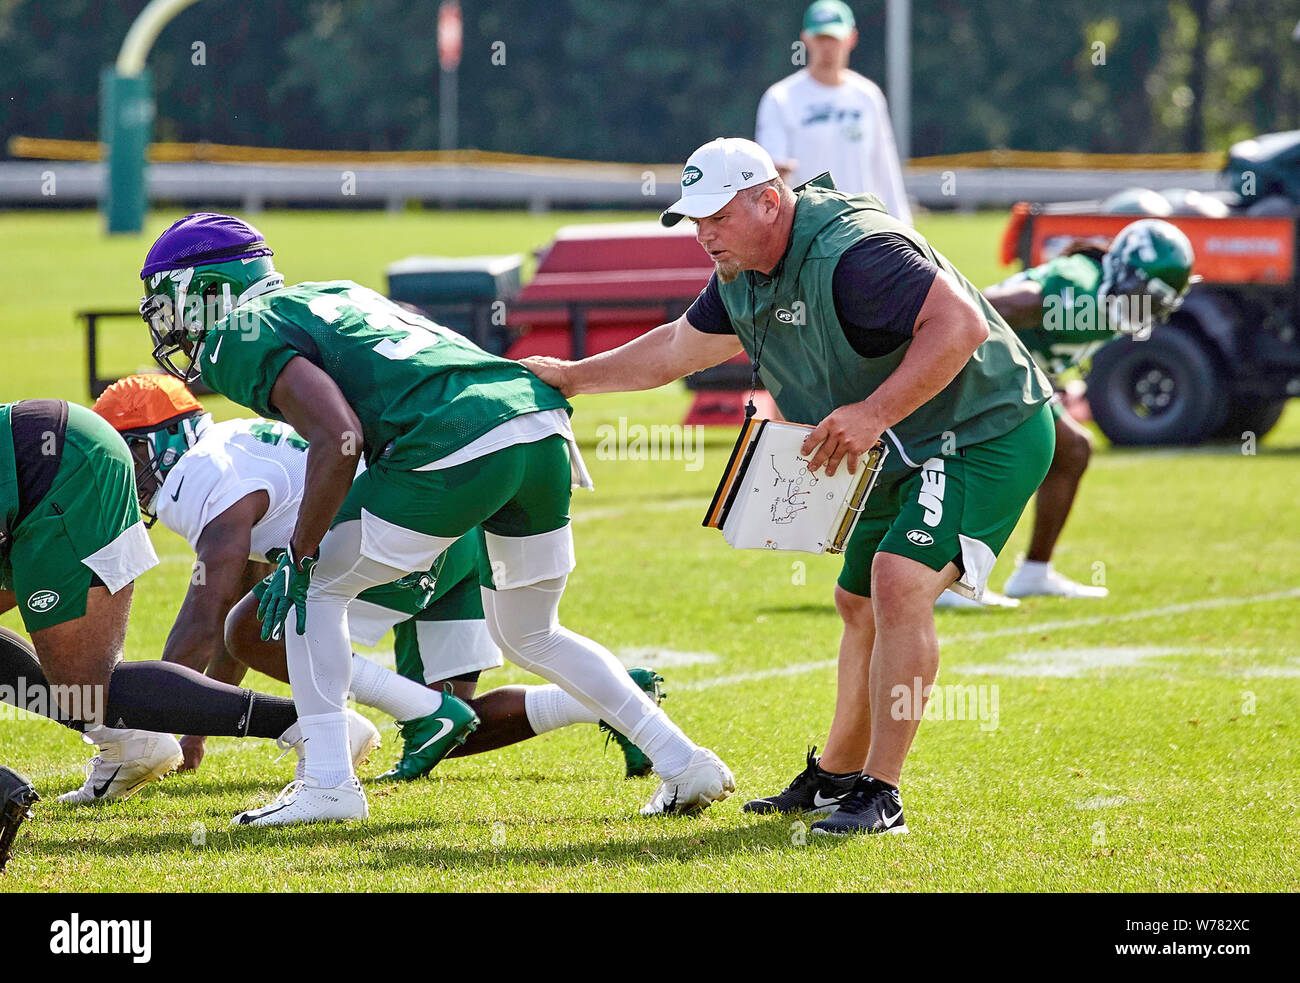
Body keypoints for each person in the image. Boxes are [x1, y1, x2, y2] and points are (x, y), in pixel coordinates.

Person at [524, 138, 1056, 835]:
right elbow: (678, 350)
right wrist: (573, 375)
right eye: (694, 218)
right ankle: (838, 775)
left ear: (767, 200)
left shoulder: (857, 253)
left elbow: (961, 325)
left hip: (987, 428)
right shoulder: (743, 269)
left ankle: (882, 795)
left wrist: (871, 413)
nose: (703, 232)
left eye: (716, 215)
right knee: (856, 597)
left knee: (899, 581)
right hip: (901, 437)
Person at [139, 212, 732, 826]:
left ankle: (327, 785)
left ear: (204, 290)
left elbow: (338, 435)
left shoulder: (240, 331)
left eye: (167, 304)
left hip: (454, 439)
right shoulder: (333, 293)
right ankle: (682, 759)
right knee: (532, 631)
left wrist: (303, 547)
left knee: (311, 592)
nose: (167, 323)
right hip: (533, 421)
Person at [90, 373, 666, 782]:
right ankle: (611, 701)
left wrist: (152, 716)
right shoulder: (234, 443)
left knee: (257, 629)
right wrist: (195, 731)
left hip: (404, 537)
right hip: (457, 535)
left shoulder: (197, 474)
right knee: (450, 729)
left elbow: (207, 617)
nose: (131, 475)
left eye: (131, 456)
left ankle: (423, 714)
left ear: (161, 440)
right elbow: (244, 591)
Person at [0, 398, 317, 803]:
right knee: (84, 687)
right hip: (56, 449)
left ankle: (309, 722)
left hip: (53, 465)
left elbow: (208, 617)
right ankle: (129, 741)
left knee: (86, 685)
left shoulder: (211, 469)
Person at [977, 220, 1193, 602]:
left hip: (1012, 377)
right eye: (1144, 295)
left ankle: (1034, 572)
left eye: (1156, 304)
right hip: (975, 369)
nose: (1145, 309)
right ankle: (943, 575)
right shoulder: (1079, 285)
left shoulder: (1108, 302)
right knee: (1006, 458)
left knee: (1073, 448)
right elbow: (1004, 303)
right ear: (1123, 272)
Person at [756, 0, 912, 224]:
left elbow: (885, 168)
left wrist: (904, 226)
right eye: (821, 38)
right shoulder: (781, 98)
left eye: (834, 38)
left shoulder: (868, 96)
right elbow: (772, 174)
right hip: (808, 229)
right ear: (806, 39)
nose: (827, 46)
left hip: (863, 227)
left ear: (851, 38)